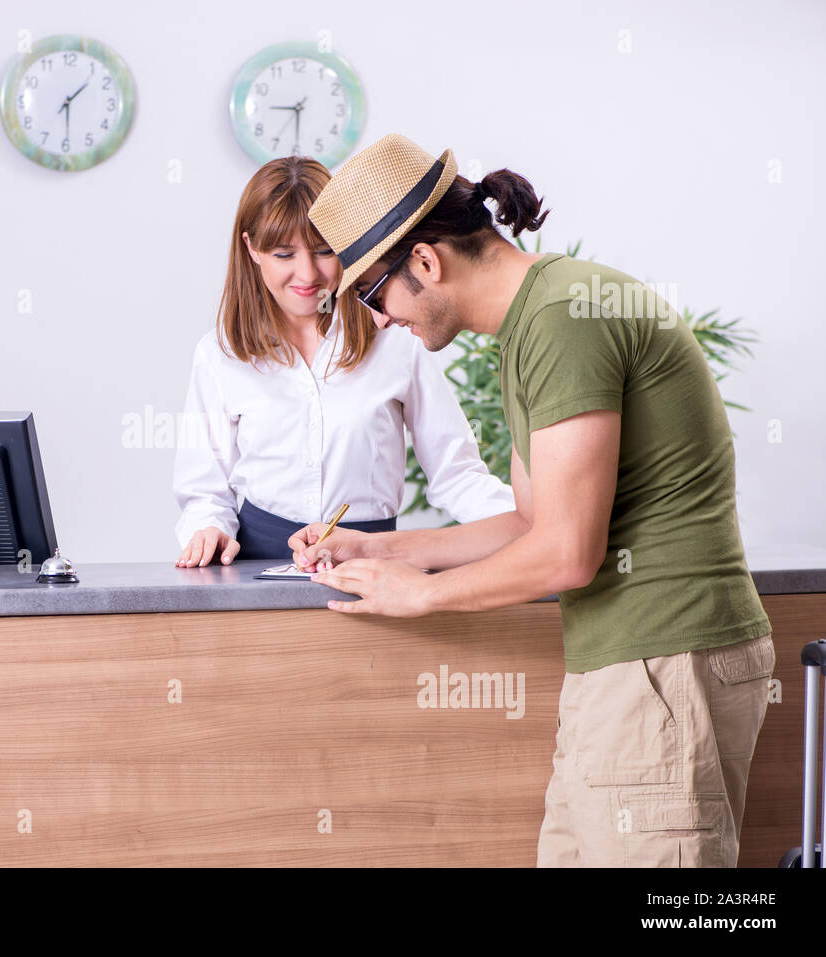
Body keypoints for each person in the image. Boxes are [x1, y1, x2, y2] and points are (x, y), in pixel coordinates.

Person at [294, 133, 774, 867]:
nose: (380, 318)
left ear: (424, 260)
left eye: (371, 294)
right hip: (627, 671)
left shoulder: (562, 318)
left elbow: (567, 553)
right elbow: (533, 521)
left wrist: (421, 595)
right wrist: (381, 547)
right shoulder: (532, 323)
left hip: (661, 663)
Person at [173, 156, 513, 567]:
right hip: (254, 568)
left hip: (371, 562)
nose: (307, 274)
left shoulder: (396, 335)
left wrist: (532, 527)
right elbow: (205, 491)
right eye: (283, 254)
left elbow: (457, 473)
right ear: (252, 249)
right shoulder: (220, 353)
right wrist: (208, 528)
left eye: (323, 251)